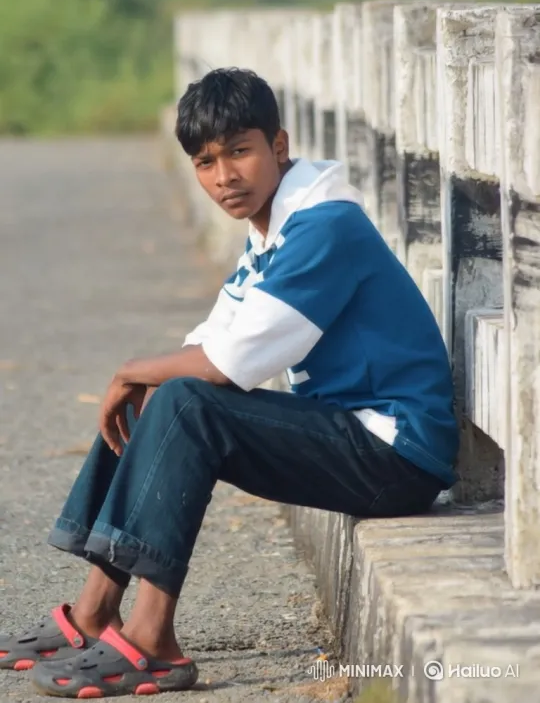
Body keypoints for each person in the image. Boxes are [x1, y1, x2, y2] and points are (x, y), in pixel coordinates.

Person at [0, 68, 459, 698]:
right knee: (166, 397)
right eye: (205, 162)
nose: (224, 177)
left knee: (185, 397)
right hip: (346, 435)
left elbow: (228, 363)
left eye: (240, 151)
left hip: (395, 454)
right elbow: (211, 338)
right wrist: (147, 382)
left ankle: (153, 639)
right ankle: (92, 614)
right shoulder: (273, 227)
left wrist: (132, 370)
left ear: (278, 145)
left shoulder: (325, 225)